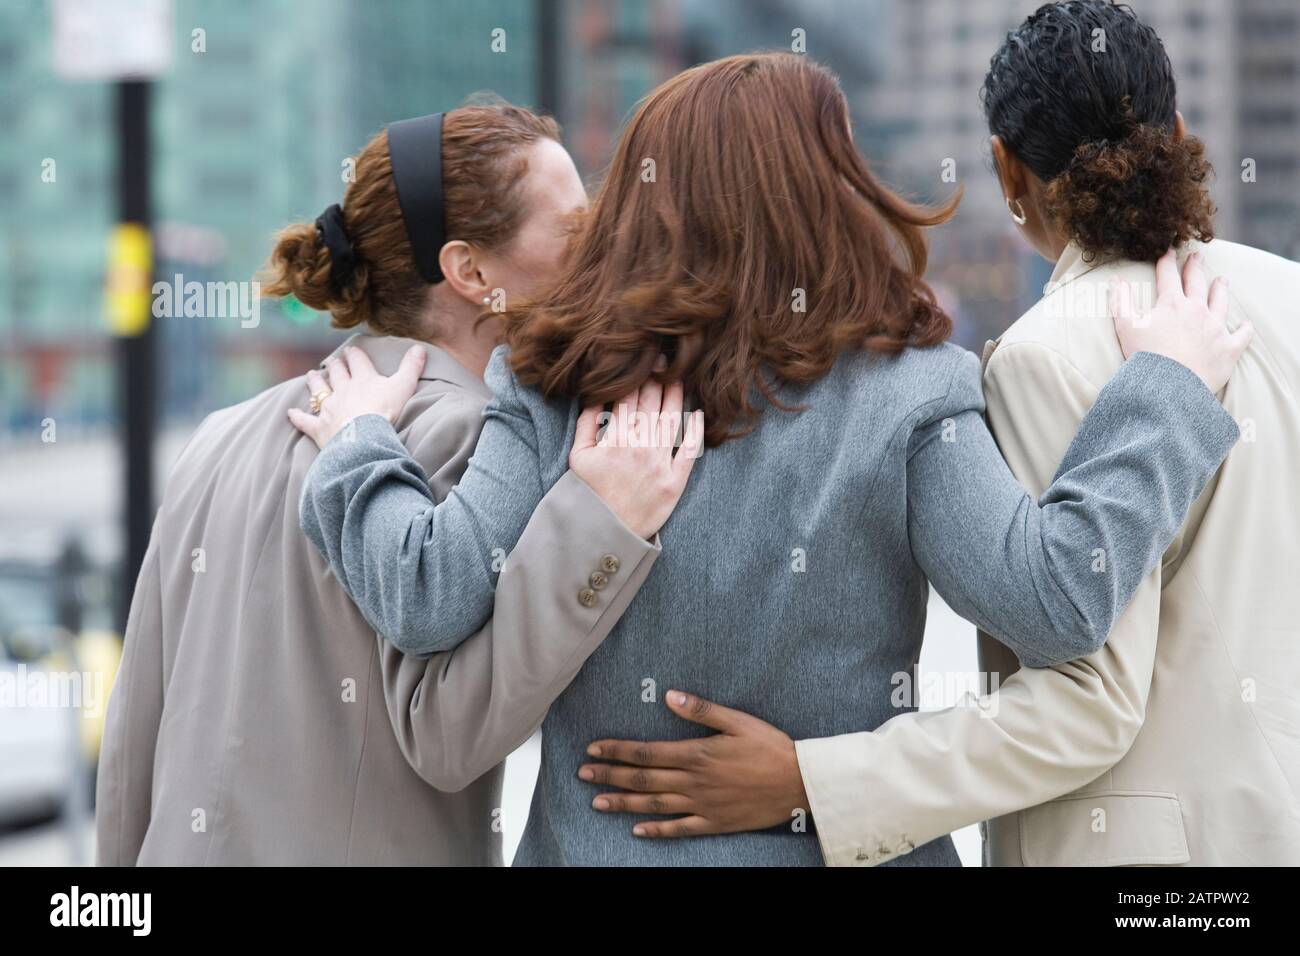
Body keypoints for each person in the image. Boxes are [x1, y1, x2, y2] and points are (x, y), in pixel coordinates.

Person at [293, 52, 1246, 866]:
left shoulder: (553, 380)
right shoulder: (914, 391)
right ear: (825, 189)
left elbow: (428, 595)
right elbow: (1058, 601)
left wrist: (354, 449)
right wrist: (1163, 386)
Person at [586, 1, 1299, 867]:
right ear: (1180, 130)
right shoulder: (1287, 299)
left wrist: (814, 782)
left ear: (1007, 172)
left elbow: (1088, 702)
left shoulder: (1051, 352)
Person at [95, 101, 697, 866]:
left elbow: (131, 733)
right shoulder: (468, 436)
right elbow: (451, 734)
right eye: (576, 232)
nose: (601, 256)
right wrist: (602, 522)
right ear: (470, 271)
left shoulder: (220, 436)